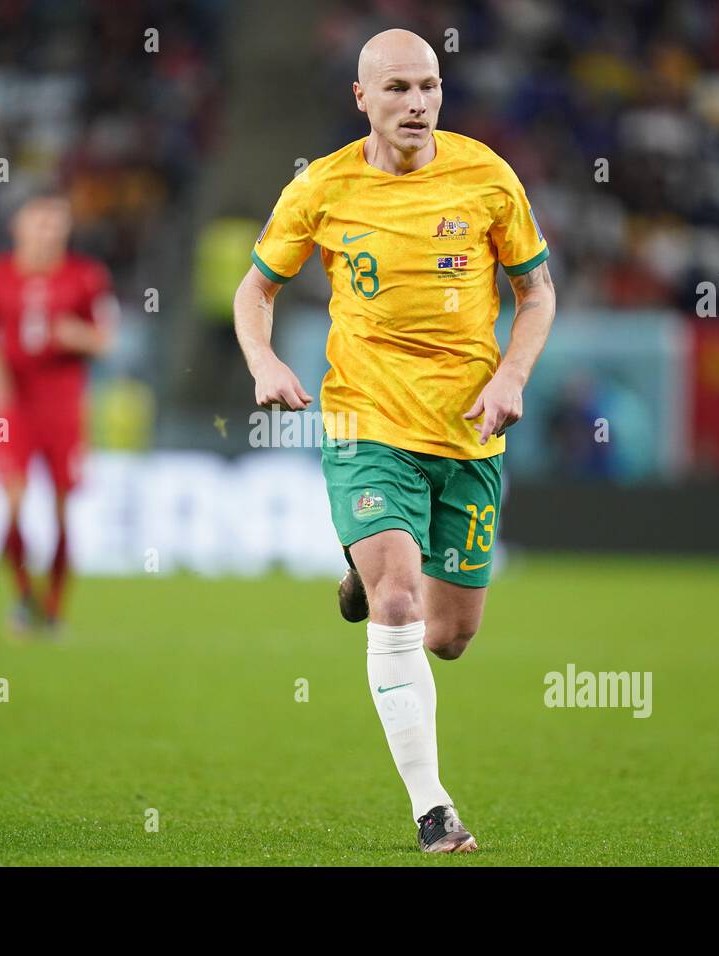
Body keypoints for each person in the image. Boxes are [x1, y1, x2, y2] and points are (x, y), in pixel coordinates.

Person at [232, 29, 557, 852]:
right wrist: (263, 358)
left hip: (467, 432)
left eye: (431, 87)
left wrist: (511, 375)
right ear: (362, 98)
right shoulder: (322, 186)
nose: (418, 104)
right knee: (401, 603)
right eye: (400, 89)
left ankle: (360, 566)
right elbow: (255, 289)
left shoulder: (486, 176)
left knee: (448, 638)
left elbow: (538, 293)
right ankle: (432, 808)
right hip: (364, 420)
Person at [0, 192, 117, 637]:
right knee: (12, 503)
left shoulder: (86, 277)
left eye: (56, 224)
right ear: (19, 227)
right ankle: (22, 594)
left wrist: (77, 335)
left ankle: (53, 608)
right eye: (40, 223)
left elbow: (105, 339)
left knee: (63, 509)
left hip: (64, 404)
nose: (48, 232)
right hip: (14, 405)